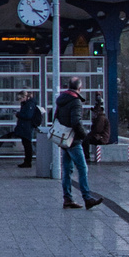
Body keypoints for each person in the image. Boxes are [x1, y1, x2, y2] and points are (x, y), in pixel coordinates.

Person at [53, 77, 102, 210]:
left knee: (67, 170)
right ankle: (87, 198)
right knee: (82, 168)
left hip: (64, 139)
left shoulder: (62, 99)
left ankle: (67, 198)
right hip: (73, 140)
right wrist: (85, 136)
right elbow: (76, 122)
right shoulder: (75, 101)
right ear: (79, 88)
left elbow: (56, 117)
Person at [13, 91, 43, 168]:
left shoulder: (29, 104)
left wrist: (18, 114)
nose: (19, 100)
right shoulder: (27, 104)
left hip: (27, 127)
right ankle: (27, 161)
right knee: (26, 144)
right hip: (25, 127)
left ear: (25, 97)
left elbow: (28, 115)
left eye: (20, 98)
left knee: (27, 144)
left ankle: (28, 162)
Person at [85, 99, 109, 164]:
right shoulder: (99, 118)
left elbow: (97, 130)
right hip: (99, 136)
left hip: (102, 138)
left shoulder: (101, 118)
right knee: (86, 139)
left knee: (86, 140)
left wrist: (89, 135)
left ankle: (86, 157)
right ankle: (86, 155)